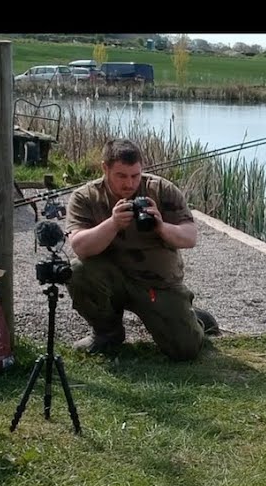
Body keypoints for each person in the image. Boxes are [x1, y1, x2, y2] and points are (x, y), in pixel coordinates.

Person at [64, 138, 218, 361]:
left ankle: (197, 320)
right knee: (77, 271)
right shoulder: (85, 197)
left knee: (185, 350)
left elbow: (190, 237)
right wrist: (113, 223)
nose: (129, 184)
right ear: (105, 168)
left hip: (157, 283)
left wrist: (161, 227)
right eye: (121, 176)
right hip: (111, 279)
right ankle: (107, 334)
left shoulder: (161, 189)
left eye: (135, 176)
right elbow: (80, 247)